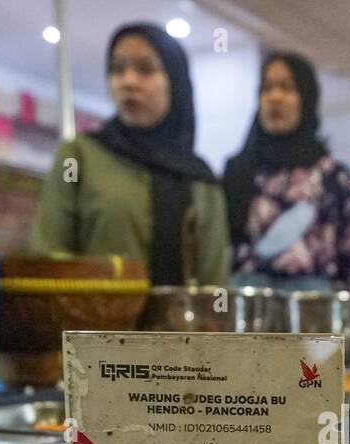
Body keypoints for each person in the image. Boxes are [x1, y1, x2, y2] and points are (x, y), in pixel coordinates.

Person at [31, 23, 229, 286]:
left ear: (176, 82)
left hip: (182, 325)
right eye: (117, 69)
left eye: (145, 69)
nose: (128, 81)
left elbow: (213, 286)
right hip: (93, 323)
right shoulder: (78, 157)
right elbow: (49, 257)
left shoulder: (201, 179)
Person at [223, 52, 350, 291]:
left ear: (306, 97)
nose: (275, 97)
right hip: (245, 308)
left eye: (286, 87)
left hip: (312, 311)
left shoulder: (332, 176)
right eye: (266, 88)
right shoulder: (238, 170)